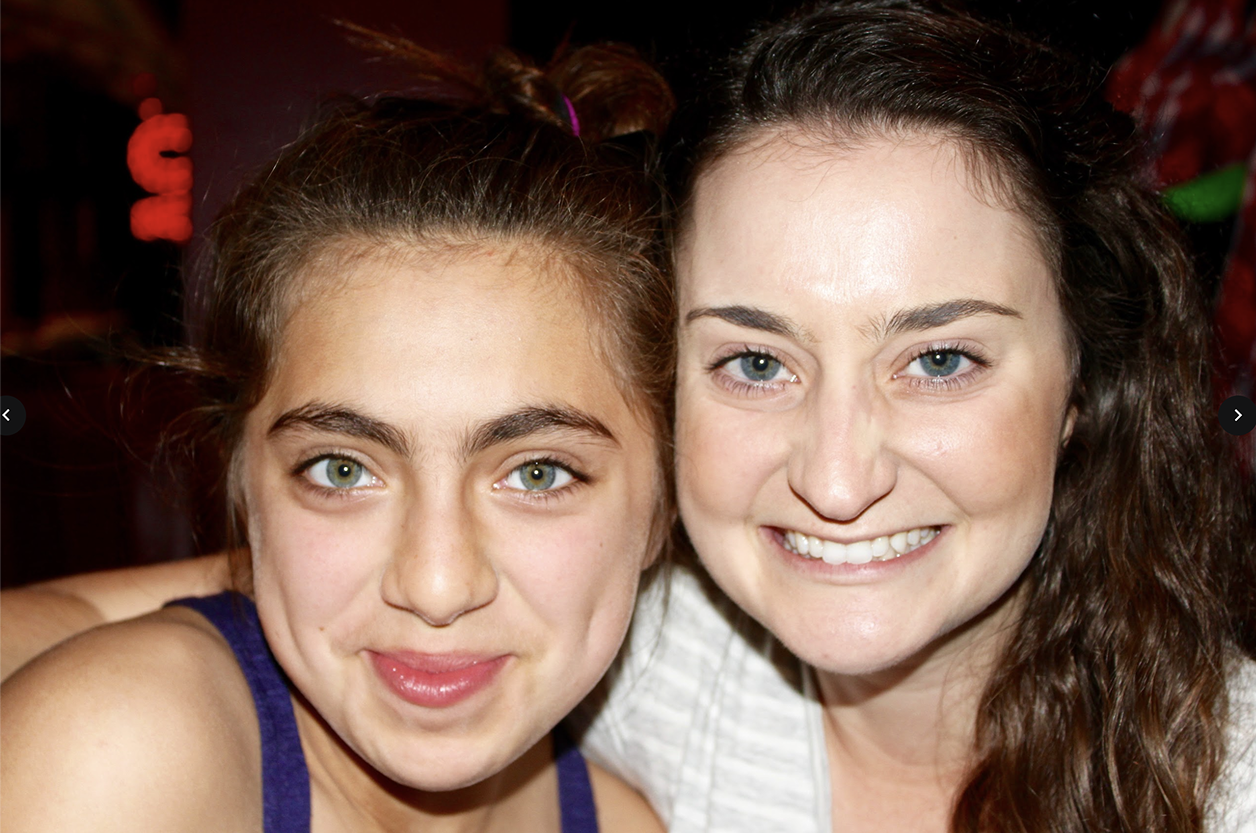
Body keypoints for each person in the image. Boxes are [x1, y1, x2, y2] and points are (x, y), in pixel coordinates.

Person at [3, 3, 1254, 832]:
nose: (838, 476)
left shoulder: (1229, 776)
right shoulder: (627, 642)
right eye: (755, 361)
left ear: (1087, 378)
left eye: (938, 358)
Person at [0, 36, 675, 833]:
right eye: (341, 470)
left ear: (663, 505)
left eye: (537, 473)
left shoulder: (631, 820)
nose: (434, 586)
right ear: (243, 483)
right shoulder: (123, 753)